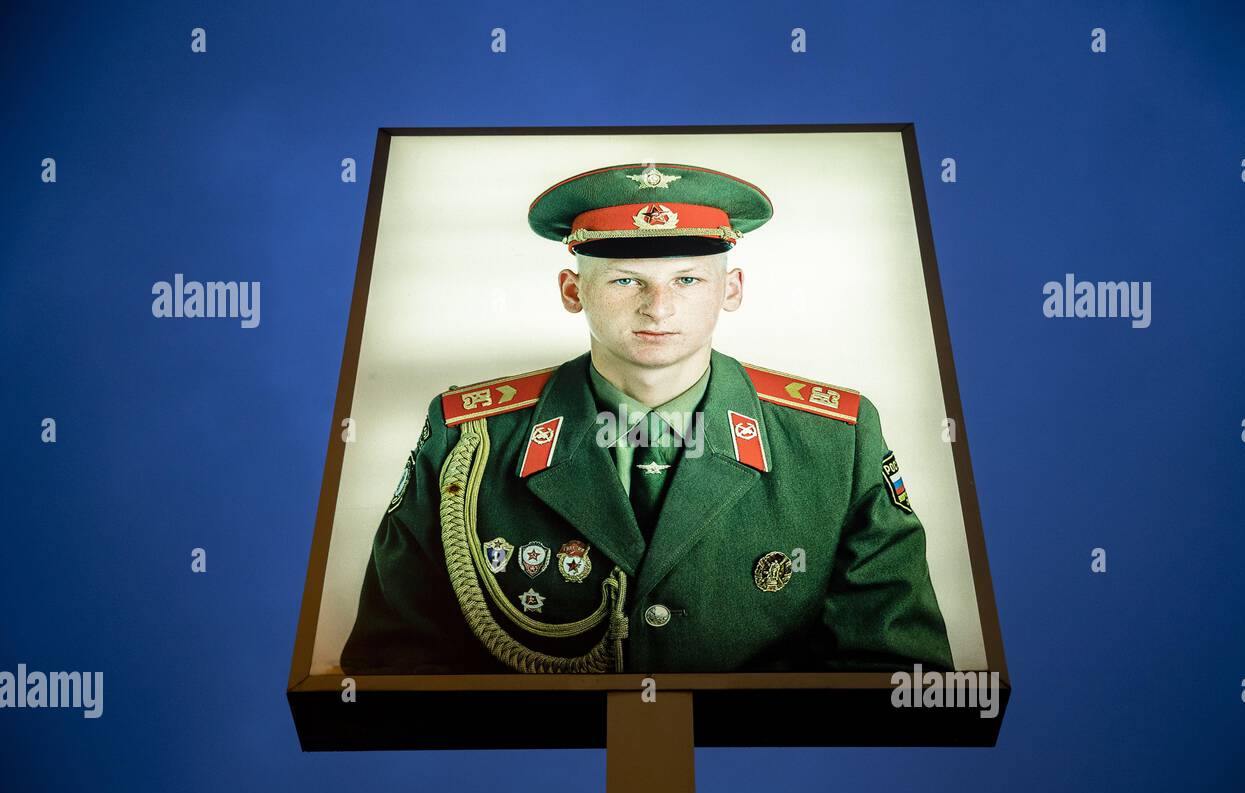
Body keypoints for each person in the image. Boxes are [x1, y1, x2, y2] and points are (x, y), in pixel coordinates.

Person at [340, 162, 954, 675]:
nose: (658, 307)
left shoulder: (835, 440)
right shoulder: (468, 436)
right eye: (625, 279)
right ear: (571, 291)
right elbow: (394, 668)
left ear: (731, 288)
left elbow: (895, 674)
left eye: (687, 278)